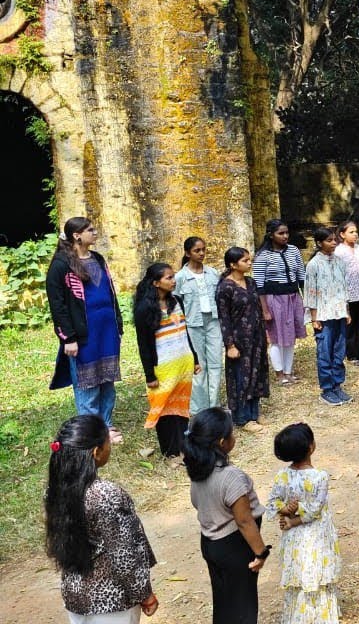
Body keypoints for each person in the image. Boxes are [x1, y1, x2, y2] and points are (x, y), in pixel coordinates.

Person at [45, 414, 158, 622]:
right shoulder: (105, 495)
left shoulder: (56, 490)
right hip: (112, 605)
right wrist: (145, 594)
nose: (110, 447)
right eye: (108, 442)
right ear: (96, 452)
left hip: (75, 599)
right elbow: (124, 555)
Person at [183, 407, 269, 624]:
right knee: (243, 605)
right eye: (232, 433)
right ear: (222, 442)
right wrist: (260, 553)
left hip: (210, 544)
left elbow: (196, 502)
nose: (235, 436)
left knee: (223, 601)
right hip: (235, 548)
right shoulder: (231, 477)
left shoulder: (198, 470)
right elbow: (244, 520)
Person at [46, 217, 124, 443]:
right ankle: (91, 433)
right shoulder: (61, 264)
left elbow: (110, 292)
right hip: (83, 334)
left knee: (107, 380)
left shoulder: (98, 259)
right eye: (90, 230)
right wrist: (68, 337)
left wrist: (118, 321)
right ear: (76, 236)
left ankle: (106, 425)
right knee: (87, 382)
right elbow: (57, 305)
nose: (95, 232)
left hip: (106, 331)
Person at [266, 423, 341, 624]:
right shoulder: (320, 477)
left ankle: (297, 617)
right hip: (316, 535)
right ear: (311, 447)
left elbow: (272, 504)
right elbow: (315, 510)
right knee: (316, 574)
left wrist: (286, 510)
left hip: (294, 537)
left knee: (299, 574)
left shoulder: (282, 475)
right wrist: (295, 517)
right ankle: (320, 617)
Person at [133, 263, 198, 462]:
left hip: (183, 362)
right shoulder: (144, 308)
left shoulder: (177, 301)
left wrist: (194, 358)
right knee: (165, 409)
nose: (173, 281)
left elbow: (185, 332)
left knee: (180, 407)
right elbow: (143, 344)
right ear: (155, 283)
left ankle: (183, 447)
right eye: (168, 278)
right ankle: (170, 452)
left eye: (173, 277)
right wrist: (149, 375)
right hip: (163, 366)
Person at [217, 247, 271, 432]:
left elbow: (257, 309)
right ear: (233, 264)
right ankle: (242, 417)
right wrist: (229, 344)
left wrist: (265, 334)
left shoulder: (250, 282)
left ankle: (254, 413)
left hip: (256, 337)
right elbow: (224, 318)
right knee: (241, 377)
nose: (249, 263)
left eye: (249, 260)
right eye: (245, 260)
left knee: (257, 374)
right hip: (239, 340)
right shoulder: (225, 287)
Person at [252, 219, 307, 387]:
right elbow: (259, 285)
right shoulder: (263, 256)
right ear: (271, 235)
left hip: (292, 296)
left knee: (291, 335)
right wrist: (265, 309)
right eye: (280, 233)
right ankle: (279, 373)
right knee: (277, 336)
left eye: (286, 233)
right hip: (274, 298)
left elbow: (301, 275)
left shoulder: (293, 251)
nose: (285, 236)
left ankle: (289, 371)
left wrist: (305, 300)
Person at [304, 227, 353, 407]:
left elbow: (343, 288)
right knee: (325, 353)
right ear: (319, 243)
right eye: (329, 240)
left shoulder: (340, 262)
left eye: (335, 240)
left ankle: (337, 385)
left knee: (339, 352)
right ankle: (327, 389)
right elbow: (310, 293)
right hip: (323, 316)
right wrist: (314, 317)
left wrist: (346, 311)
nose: (333, 243)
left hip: (339, 313)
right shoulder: (314, 265)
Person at [176, 236, 224, 413]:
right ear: (188, 253)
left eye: (204, 249)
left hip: (213, 321)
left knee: (215, 362)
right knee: (198, 365)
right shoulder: (180, 277)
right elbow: (176, 303)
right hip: (192, 325)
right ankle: (199, 408)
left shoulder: (212, 273)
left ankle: (214, 405)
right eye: (197, 250)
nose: (202, 253)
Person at [333, 221, 359, 367]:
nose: (355, 234)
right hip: (347, 294)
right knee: (349, 324)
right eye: (351, 232)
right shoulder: (338, 252)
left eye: (356, 231)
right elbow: (337, 275)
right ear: (342, 234)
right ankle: (351, 355)